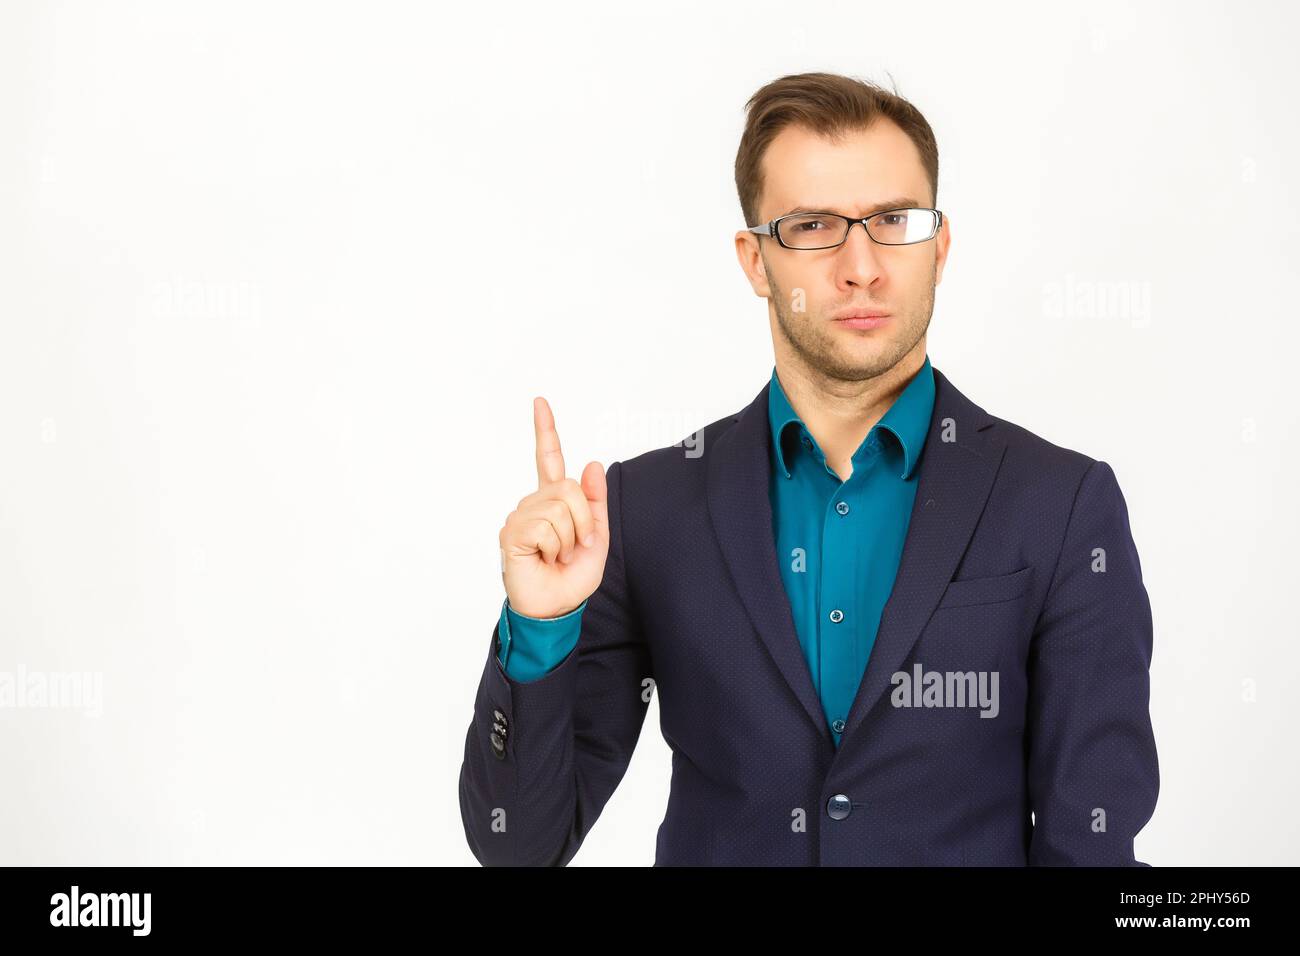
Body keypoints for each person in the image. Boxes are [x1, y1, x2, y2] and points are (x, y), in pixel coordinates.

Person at [458, 71, 1159, 866]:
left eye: (895, 220)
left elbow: (1091, 848)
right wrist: (543, 630)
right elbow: (520, 845)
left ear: (941, 244)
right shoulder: (642, 509)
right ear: (755, 262)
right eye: (814, 226)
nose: (861, 266)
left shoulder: (1061, 506)